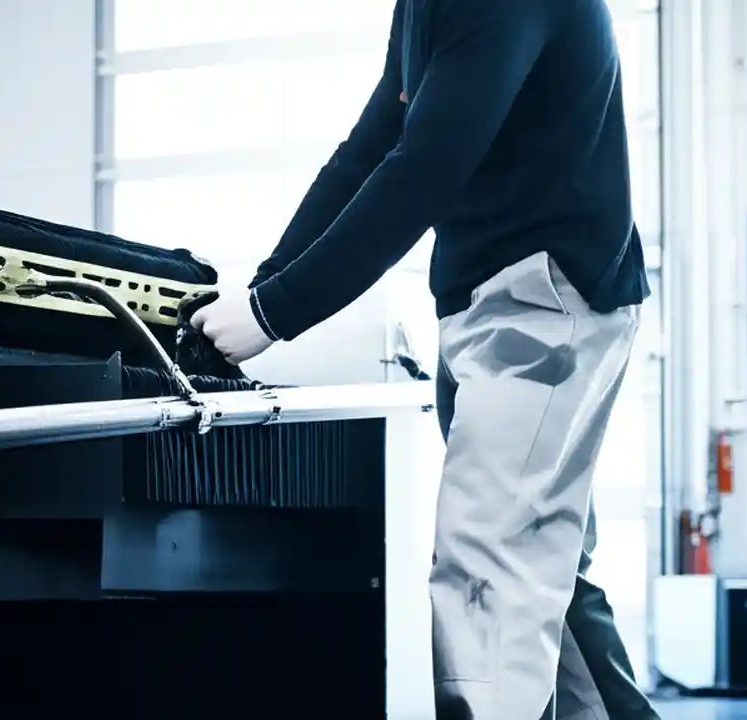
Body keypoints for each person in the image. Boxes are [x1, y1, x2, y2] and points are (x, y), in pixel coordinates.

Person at [190, 0, 659, 718]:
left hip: (550, 302)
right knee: (546, 570)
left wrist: (275, 313)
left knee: (487, 569)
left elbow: (425, 168)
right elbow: (372, 147)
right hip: (487, 303)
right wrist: (262, 289)